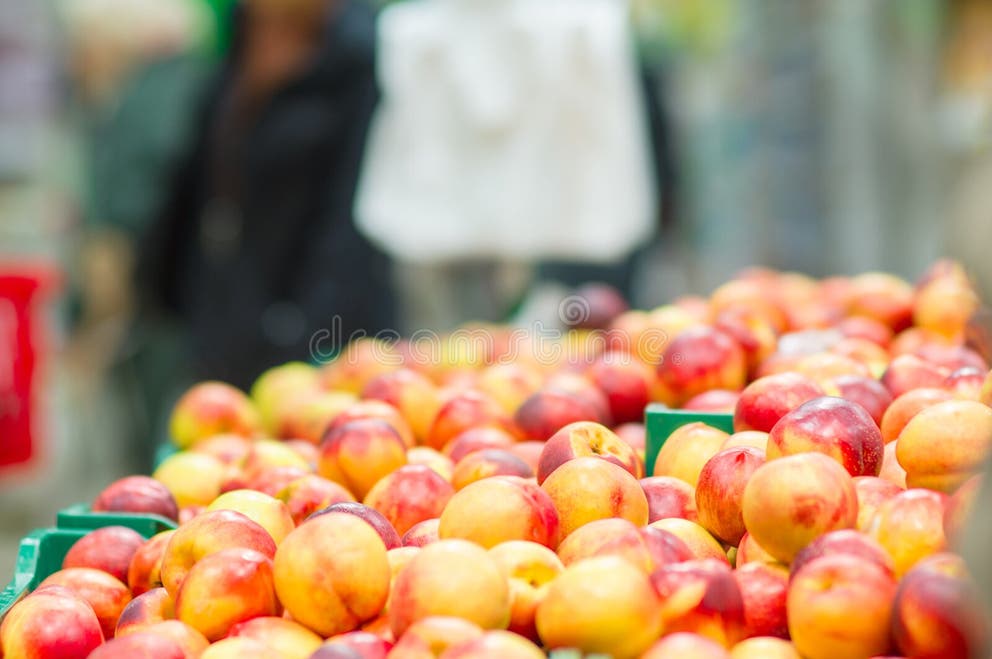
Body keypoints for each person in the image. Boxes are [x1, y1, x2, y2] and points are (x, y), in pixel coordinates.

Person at [139, 0, 396, 391]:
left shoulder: (364, 52)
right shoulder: (242, 39)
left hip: (317, 341)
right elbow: (204, 178)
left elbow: (351, 217)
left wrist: (302, 331)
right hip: (223, 323)